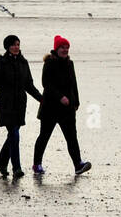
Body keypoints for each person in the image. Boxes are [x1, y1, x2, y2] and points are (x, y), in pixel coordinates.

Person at [0, 34, 42, 178]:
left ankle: (2, 162)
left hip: (20, 103)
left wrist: (42, 99)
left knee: (12, 135)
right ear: (8, 47)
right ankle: (17, 168)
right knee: (14, 133)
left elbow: (29, 85)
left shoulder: (23, 63)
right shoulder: (1, 63)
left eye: (18, 44)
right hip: (6, 103)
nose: (16, 47)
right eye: (14, 45)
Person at [33, 35, 91, 176]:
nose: (65, 50)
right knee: (44, 136)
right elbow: (46, 84)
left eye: (67, 48)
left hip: (67, 109)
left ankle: (78, 164)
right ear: (56, 49)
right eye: (62, 47)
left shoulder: (70, 64)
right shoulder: (49, 63)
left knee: (72, 137)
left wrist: (76, 101)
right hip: (50, 108)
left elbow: (74, 84)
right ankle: (37, 164)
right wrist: (60, 97)